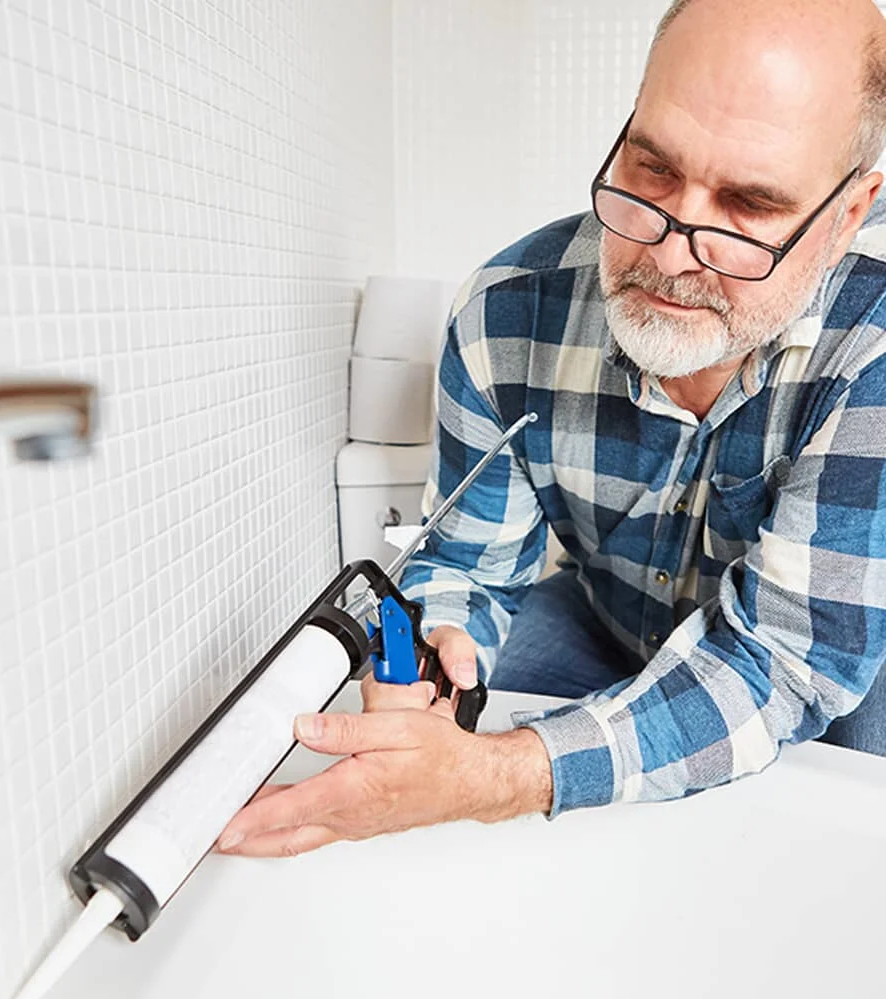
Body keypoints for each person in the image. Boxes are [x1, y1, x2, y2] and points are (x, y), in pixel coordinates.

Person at [218, 0, 886, 857]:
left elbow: (787, 666)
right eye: (650, 169)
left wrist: (505, 777)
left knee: (843, 854)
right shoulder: (506, 317)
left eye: (749, 207)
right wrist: (440, 646)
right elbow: (467, 564)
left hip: (838, 661)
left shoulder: (873, 344)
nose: (671, 253)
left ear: (847, 213)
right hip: (607, 620)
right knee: (451, 751)